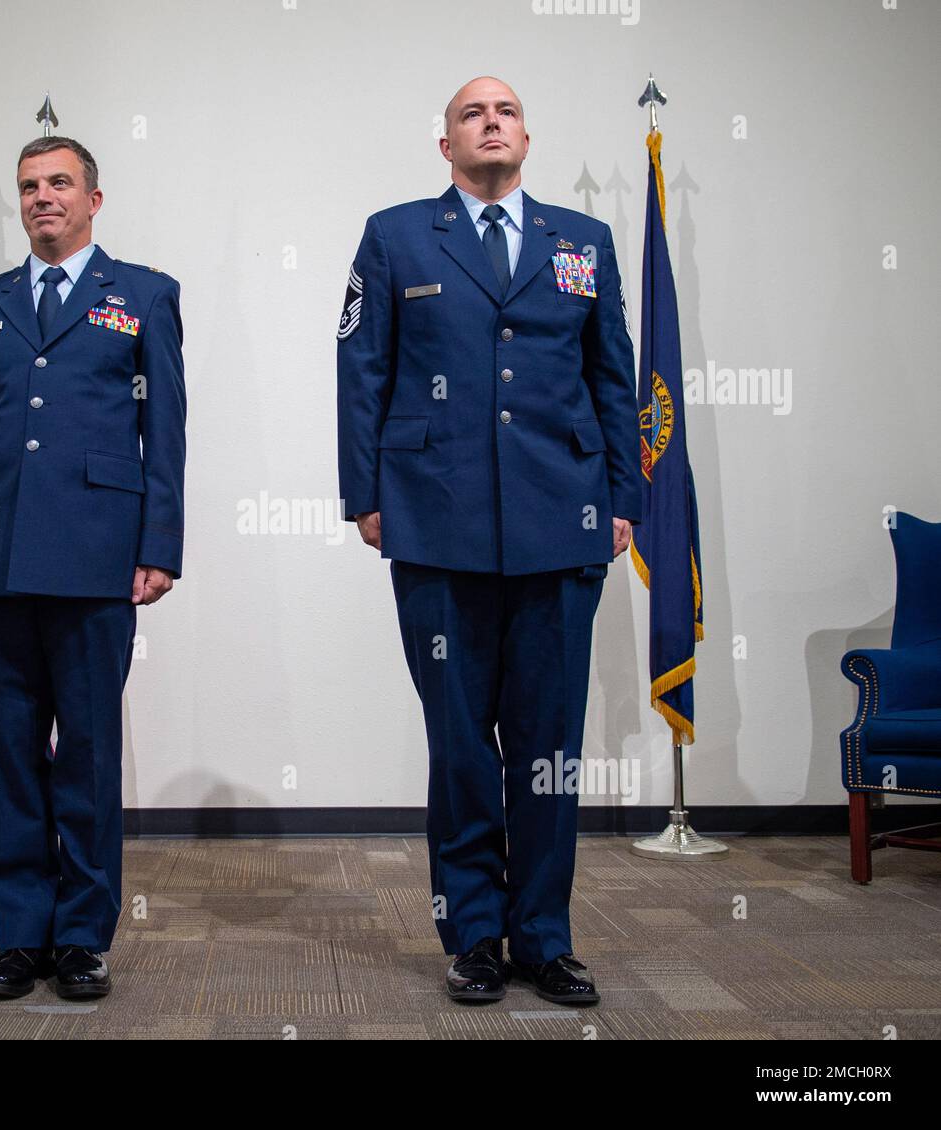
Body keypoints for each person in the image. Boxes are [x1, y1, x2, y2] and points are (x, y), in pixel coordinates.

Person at [336, 76, 639, 1005]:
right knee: (463, 742)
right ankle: (474, 934)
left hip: (563, 518)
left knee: (549, 745)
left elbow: (613, 376)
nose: (491, 122)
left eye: (505, 110)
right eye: (473, 113)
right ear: (446, 145)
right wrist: (366, 495)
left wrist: (624, 495)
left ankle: (544, 937)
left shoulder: (583, 242)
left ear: (528, 137)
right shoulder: (394, 236)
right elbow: (362, 368)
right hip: (436, 519)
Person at [0, 135, 185, 1000]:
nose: (44, 198)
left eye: (60, 184)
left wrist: (159, 546)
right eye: (30, 186)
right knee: (6, 756)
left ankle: (80, 938)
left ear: (94, 200)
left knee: (84, 755)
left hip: (96, 561)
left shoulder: (145, 296)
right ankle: (19, 937)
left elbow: (168, 438)